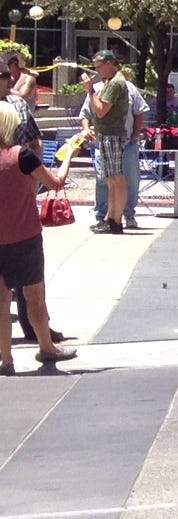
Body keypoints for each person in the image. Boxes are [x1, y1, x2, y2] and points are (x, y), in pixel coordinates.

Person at [0, 102, 76, 375]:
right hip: (24, 235)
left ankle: (6, 359)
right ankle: (46, 347)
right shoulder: (22, 155)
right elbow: (55, 182)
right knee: (35, 297)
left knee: (1, 301)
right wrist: (68, 155)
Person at [80, 78, 149, 232]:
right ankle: (104, 216)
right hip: (103, 141)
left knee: (127, 179)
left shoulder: (129, 87)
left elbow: (139, 112)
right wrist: (87, 129)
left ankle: (127, 214)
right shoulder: (96, 88)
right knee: (105, 179)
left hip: (126, 142)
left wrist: (135, 136)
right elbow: (86, 114)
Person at [81, 49, 134, 235]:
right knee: (111, 179)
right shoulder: (111, 82)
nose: (97, 71)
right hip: (106, 135)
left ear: (110, 63)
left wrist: (90, 90)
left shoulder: (115, 83)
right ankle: (110, 217)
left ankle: (116, 220)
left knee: (117, 178)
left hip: (112, 134)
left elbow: (101, 110)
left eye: (99, 67)